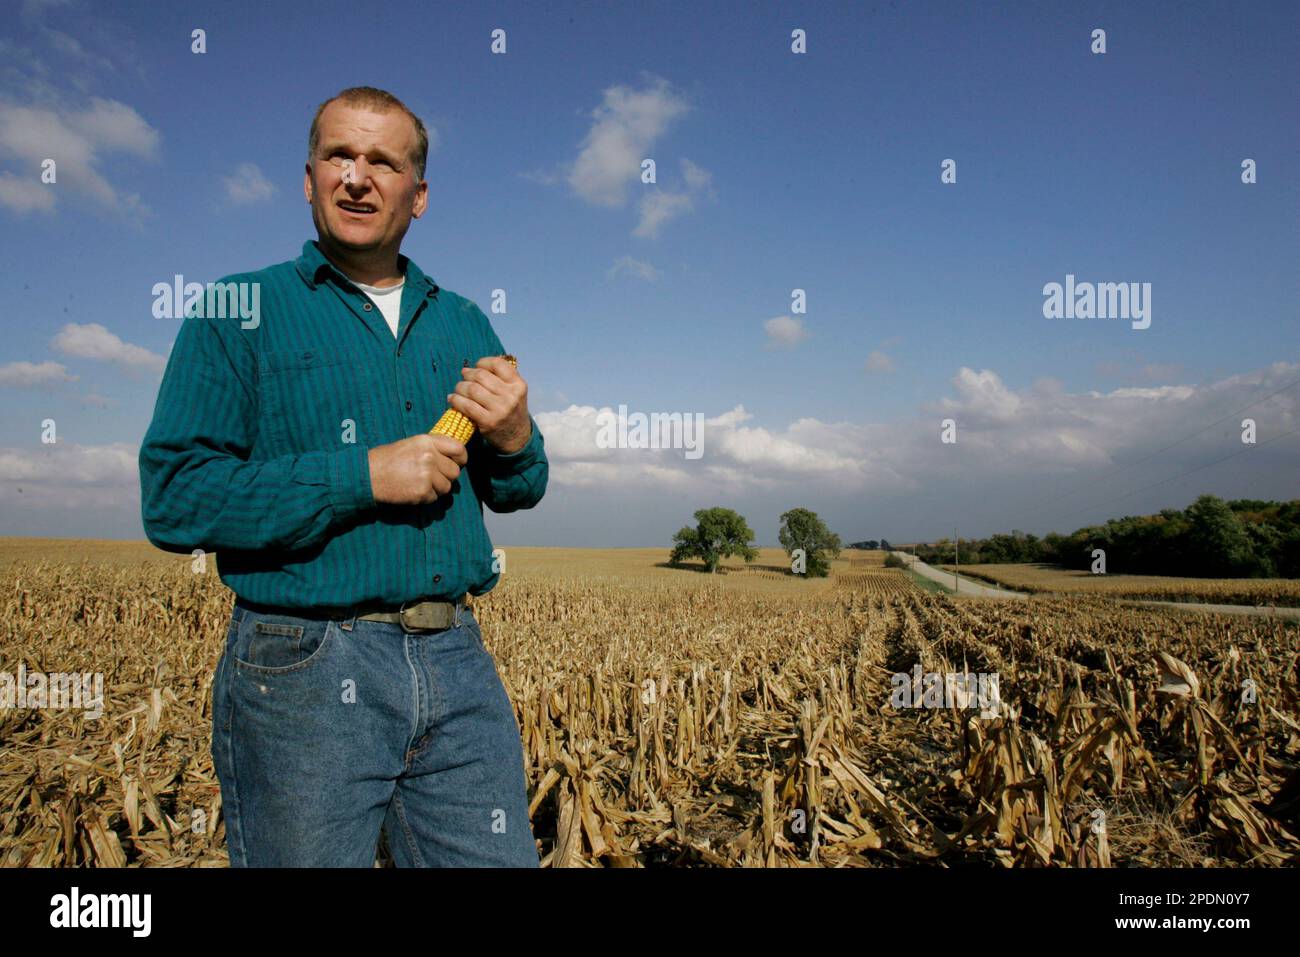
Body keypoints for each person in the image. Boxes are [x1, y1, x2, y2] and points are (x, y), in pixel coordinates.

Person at [138, 86, 546, 867]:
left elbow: (518, 488)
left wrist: (519, 436)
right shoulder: (237, 308)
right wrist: (361, 476)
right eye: (339, 156)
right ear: (308, 178)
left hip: (456, 655)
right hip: (304, 670)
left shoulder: (463, 320)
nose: (358, 178)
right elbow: (175, 497)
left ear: (417, 195)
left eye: (383, 162)